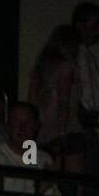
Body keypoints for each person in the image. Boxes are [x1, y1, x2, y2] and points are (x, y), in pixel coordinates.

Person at [27, 25, 83, 172]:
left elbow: (31, 101)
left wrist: (30, 127)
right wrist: (61, 132)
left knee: (42, 173)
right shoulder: (66, 67)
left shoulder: (41, 66)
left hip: (40, 127)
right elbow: (64, 102)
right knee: (75, 180)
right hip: (63, 129)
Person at [71, 2, 99, 177]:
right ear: (79, 24)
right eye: (95, 24)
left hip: (87, 125)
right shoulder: (73, 53)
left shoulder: (86, 56)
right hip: (78, 125)